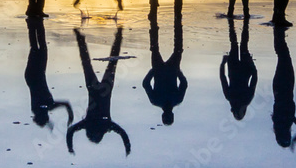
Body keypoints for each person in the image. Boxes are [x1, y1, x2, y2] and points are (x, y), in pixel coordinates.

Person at [66, 27, 131, 156]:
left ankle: (118, 35)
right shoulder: (89, 124)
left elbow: (122, 133)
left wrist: (127, 146)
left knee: (112, 63)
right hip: (94, 89)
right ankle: (80, 38)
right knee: (87, 64)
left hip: (104, 90)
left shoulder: (106, 125)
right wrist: (70, 147)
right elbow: (71, 131)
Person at [24, 18, 73, 128]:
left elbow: (66, 104)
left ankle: (36, 23)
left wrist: (70, 116)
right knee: (36, 48)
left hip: (35, 75)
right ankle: (34, 24)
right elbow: (66, 104)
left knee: (40, 48)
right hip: (32, 76)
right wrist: (69, 116)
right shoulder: (41, 108)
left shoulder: (45, 106)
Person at [142, 13, 186, 126]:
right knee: (176, 49)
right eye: (169, 116)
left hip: (161, 70)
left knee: (155, 48)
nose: (167, 114)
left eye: (166, 117)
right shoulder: (176, 100)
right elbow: (184, 84)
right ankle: (177, 20)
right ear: (172, 115)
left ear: (163, 116)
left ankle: (153, 20)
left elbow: (145, 84)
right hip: (170, 70)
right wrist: (178, 72)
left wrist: (153, 71)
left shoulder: (156, 100)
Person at [220, 18, 258, 121]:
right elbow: (222, 78)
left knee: (239, 44)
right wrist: (252, 64)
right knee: (238, 44)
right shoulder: (239, 98)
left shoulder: (242, 99)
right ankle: (238, 22)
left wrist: (223, 63)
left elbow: (254, 78)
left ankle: (239, 22)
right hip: (239, 69)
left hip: (239, 69)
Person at [271, 27, 296, 148]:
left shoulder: (283, 122)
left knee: (284, 57)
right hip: (282, 87)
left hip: (284, 87)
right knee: (284, 57)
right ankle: (279, 33)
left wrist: (292, 117)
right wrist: (292, 118)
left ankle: (278, 31)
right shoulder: (280, 123)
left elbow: (287, 104)